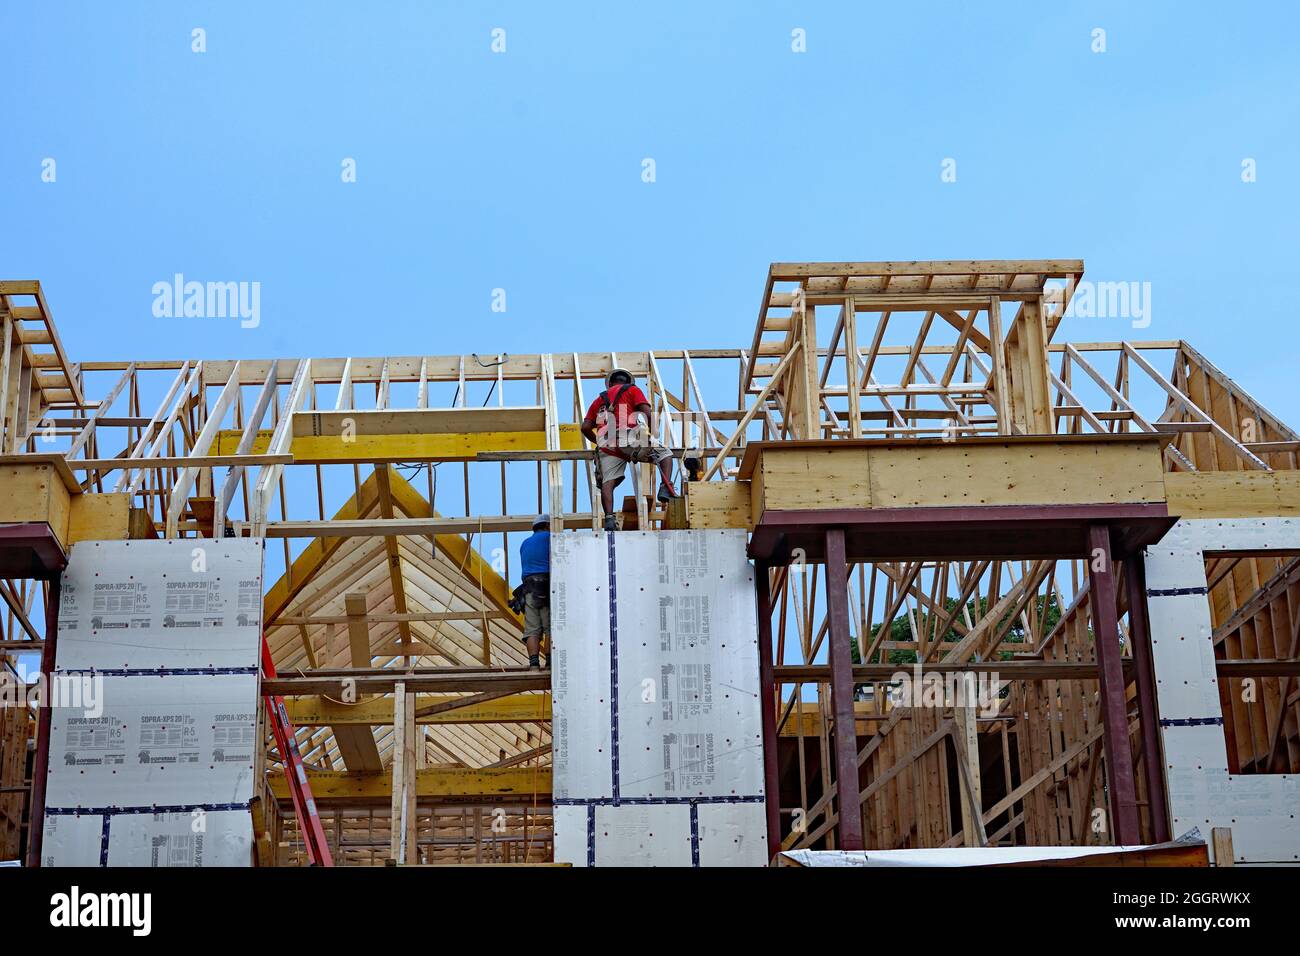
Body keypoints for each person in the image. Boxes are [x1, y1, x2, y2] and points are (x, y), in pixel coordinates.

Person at [581, 368, 678, 531]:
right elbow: (647, 412)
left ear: (610, 383)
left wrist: (597, 441)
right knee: (665, 454)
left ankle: (610, 519)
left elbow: (585, 427)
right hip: (627, 436)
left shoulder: (599, 400)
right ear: (627, 382)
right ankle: (665, 487)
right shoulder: (632, 390)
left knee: (608, 482)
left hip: (606, 444)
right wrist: (653, 433)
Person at [516, 514, 551, 669]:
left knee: (532, 629)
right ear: (547, 526)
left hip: (528, 589)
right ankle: (551, 663)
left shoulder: (525, 543)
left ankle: (534, 665)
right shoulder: (551, 537)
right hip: (546, 586)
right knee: (551, 626)